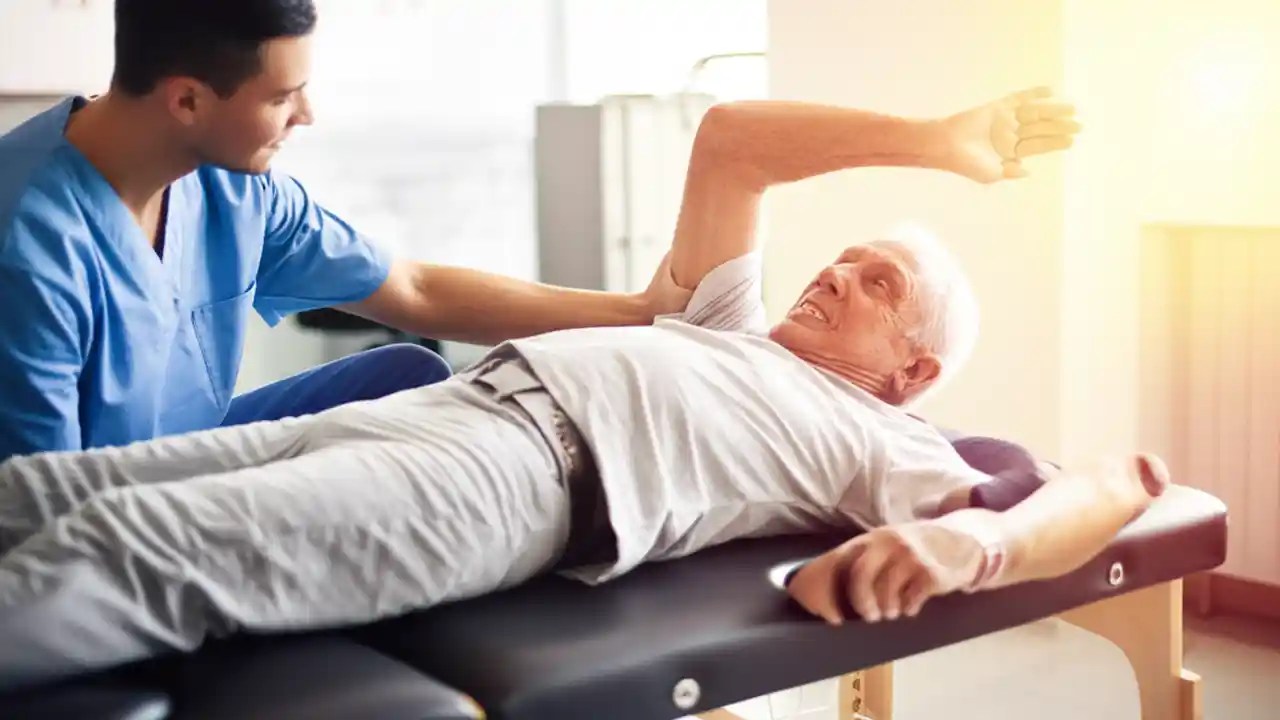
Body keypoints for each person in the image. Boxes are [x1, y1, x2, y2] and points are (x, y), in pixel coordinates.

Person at [0, 87, 1147, 692]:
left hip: (524, 481)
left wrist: (977, 549)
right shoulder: (725, 325)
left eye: (874, 282)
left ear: (914, 372)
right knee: (50, 495)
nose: (833, 271)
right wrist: (934, 139)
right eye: (838, 255)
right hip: (439, 409)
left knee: (133, 549)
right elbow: (734, 138)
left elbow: (1110, 484)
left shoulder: (880, 442)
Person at [0, 0, 690, 464]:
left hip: (183, 457)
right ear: (185, 99)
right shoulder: (29, 243)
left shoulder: (233, 186)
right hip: (85, 507)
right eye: (281, 97)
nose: (308, 115)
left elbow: (412, 290)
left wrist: (637, 315)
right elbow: (42, 510)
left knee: (409, 377)